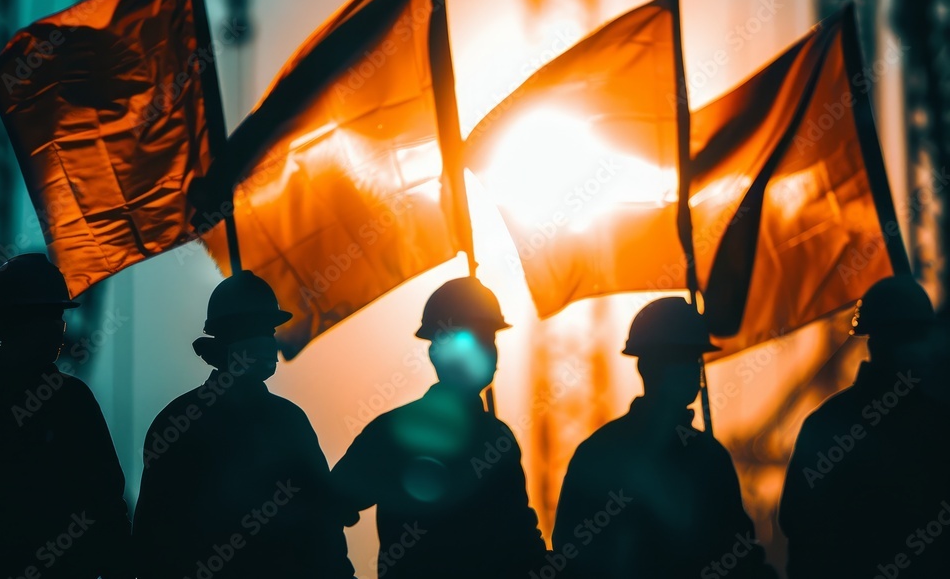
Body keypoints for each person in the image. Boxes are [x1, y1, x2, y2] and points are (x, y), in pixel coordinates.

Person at [132, 271, 354, 578]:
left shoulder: (287, 420)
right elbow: (153, 532)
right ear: (226, 342)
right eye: (256, 329)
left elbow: (320, 521)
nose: (268, 339)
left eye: (270, 329)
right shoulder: (181, 424)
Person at [331, 277, 546, 578]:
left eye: (489, 338)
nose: (488, 351)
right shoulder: (395, 434)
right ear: (436, 353)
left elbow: (521, 542)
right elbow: (325, 510)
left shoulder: (498, 438)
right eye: (476, 339)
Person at [553, 296, 775, 578]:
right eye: (679, 358)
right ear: (647, 367)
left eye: (693, 359)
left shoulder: (599, 451)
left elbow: (738, 554)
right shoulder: (705, 456)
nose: (692, 369)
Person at [0, 253, 132, 578]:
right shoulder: (70, 400)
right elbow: (106, 504)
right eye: (49, 320)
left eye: (58, 320)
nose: (59, 333)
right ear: (12, 325)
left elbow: (105, 501)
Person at [779, 275, 950, 577]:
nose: (925, 349)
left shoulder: (826, 423)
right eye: (913, 337)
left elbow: (797, 527)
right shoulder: (934, 423)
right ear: (881, 342)